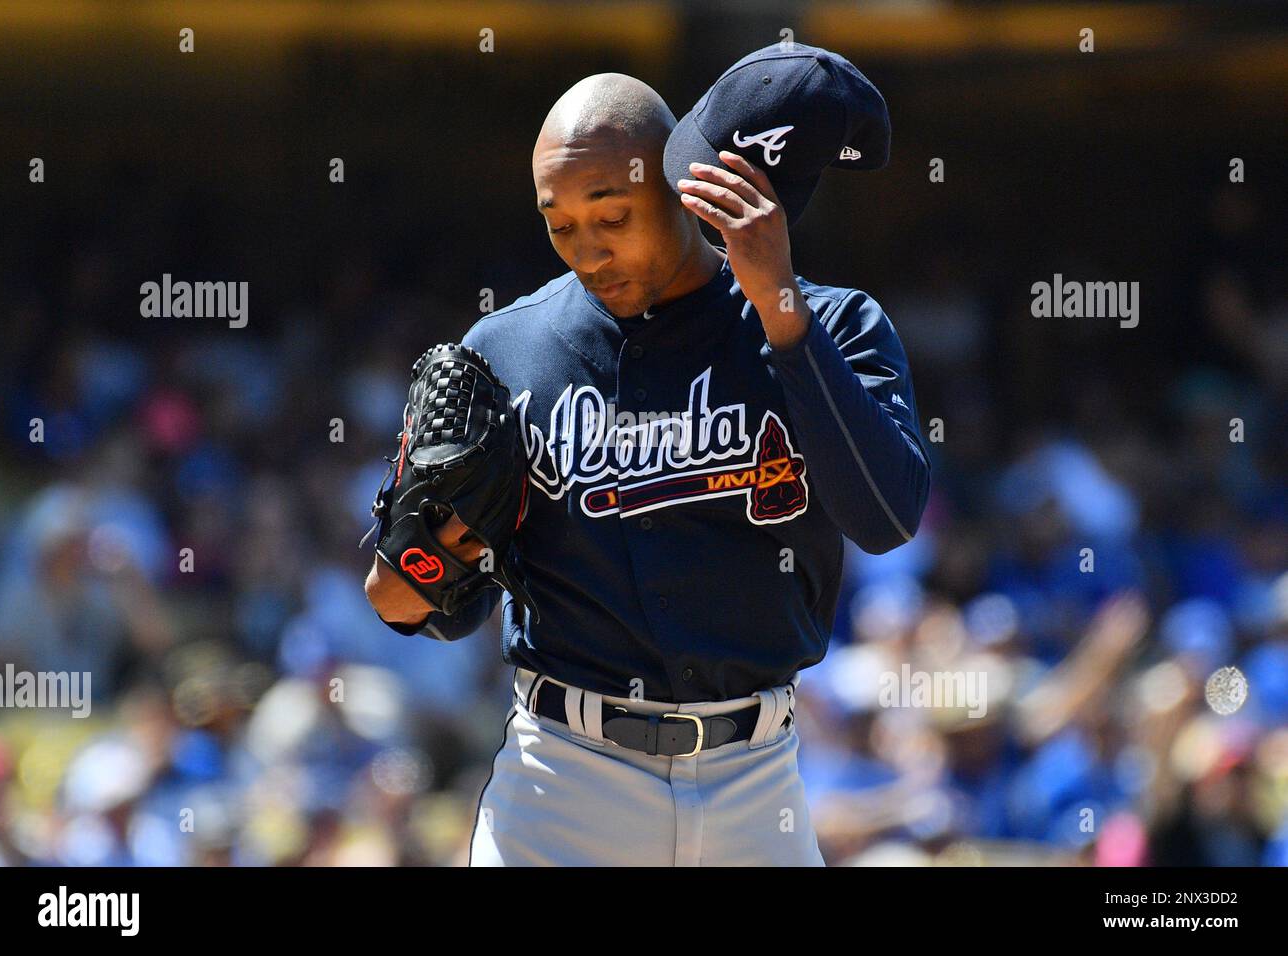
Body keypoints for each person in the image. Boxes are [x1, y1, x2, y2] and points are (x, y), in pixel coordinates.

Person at [365, 61, 929, 865]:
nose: (587, 251)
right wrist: (423, 557)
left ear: (682, 191)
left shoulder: (834, 324)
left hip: (756, 777)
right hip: (564, 776)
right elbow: (426, 608)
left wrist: (780, 310)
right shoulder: (508, 351)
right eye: (559, 225)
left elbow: (887, 515)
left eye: (612, 215)